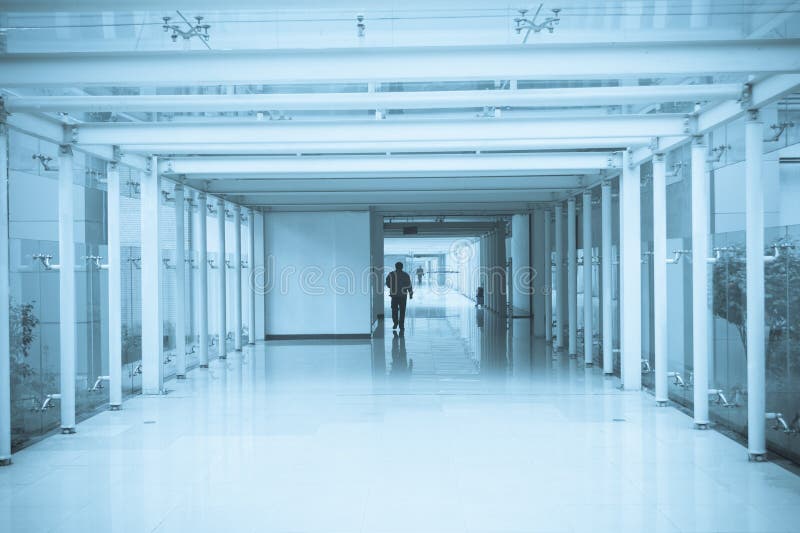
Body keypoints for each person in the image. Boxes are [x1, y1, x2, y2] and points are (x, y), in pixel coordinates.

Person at [386, 261, 413, 331]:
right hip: (403, 296)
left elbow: (387, 283)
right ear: (402, 267)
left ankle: (395, 323)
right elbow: (409, 285)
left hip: (394, 295)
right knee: (402, 310)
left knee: (394, 310)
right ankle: (401, 324)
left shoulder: (391, 274)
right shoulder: (406, 275)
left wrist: (392, 287)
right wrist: (410, 294)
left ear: (395, 267)